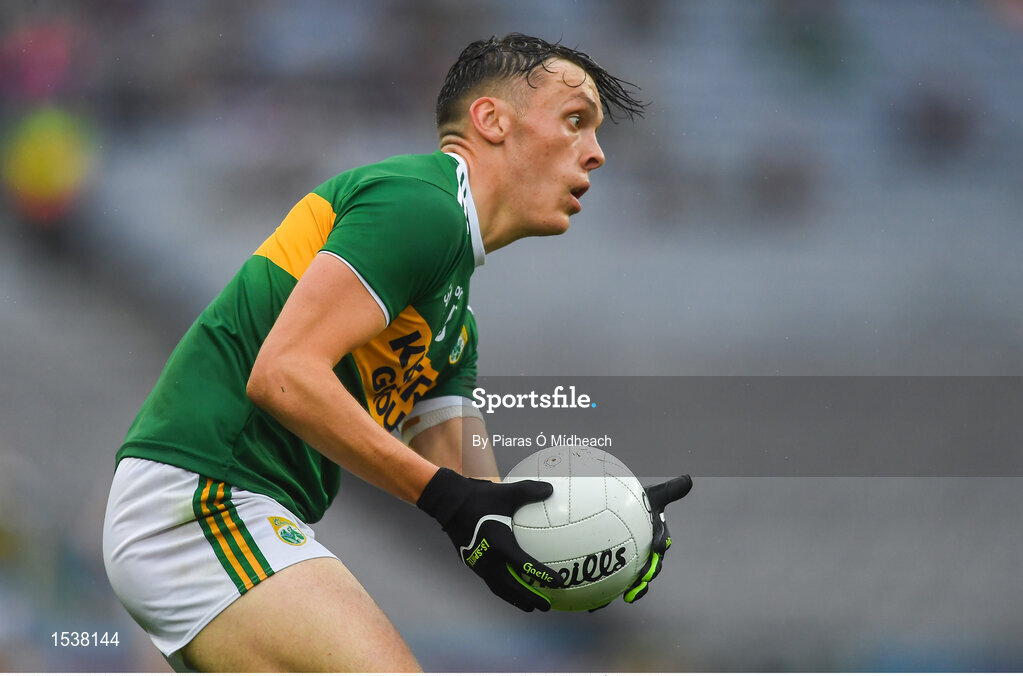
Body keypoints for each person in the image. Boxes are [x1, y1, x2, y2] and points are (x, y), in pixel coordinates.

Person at [102, 33, 690, 672]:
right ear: (492, 120)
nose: (597, 154)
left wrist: (610, 523)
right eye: (576, 121)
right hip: (202, 501)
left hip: (229, 510)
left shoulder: (454, 323)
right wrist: (443, 497)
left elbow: (478, 500)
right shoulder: (419, 205)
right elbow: (283, 375)